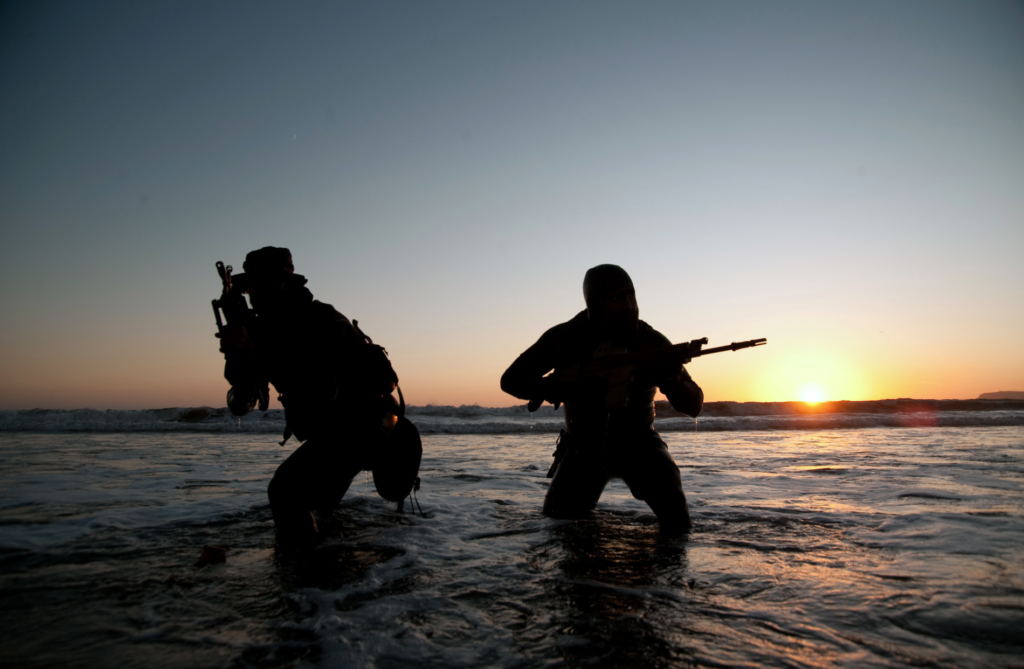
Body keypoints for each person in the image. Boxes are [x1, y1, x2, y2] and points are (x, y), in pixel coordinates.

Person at [216, 247, 417, 543]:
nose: (256, 294)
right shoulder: (265, 328)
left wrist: (258, 353)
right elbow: (242, 402)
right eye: (251, 288)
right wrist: (240, 357)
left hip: (368, 424)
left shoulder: (323, 322)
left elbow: (320, 392)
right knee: (321, 507)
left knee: (285, 490)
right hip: (334, 429)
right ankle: (333, 573)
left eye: (265, 284)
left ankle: (302, 578)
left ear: (289, 284)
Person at [500, 264, 703, 532]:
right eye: (617, 298)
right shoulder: (566, 338)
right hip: (584, 446)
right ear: (594, 304)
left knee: (677, 520)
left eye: (631, 296)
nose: (630, 306)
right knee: (556, 524)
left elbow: (694, 406)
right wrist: (557, 388)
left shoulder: (651, 342)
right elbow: (511, 380)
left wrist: (673, 378)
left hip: (640, 443)